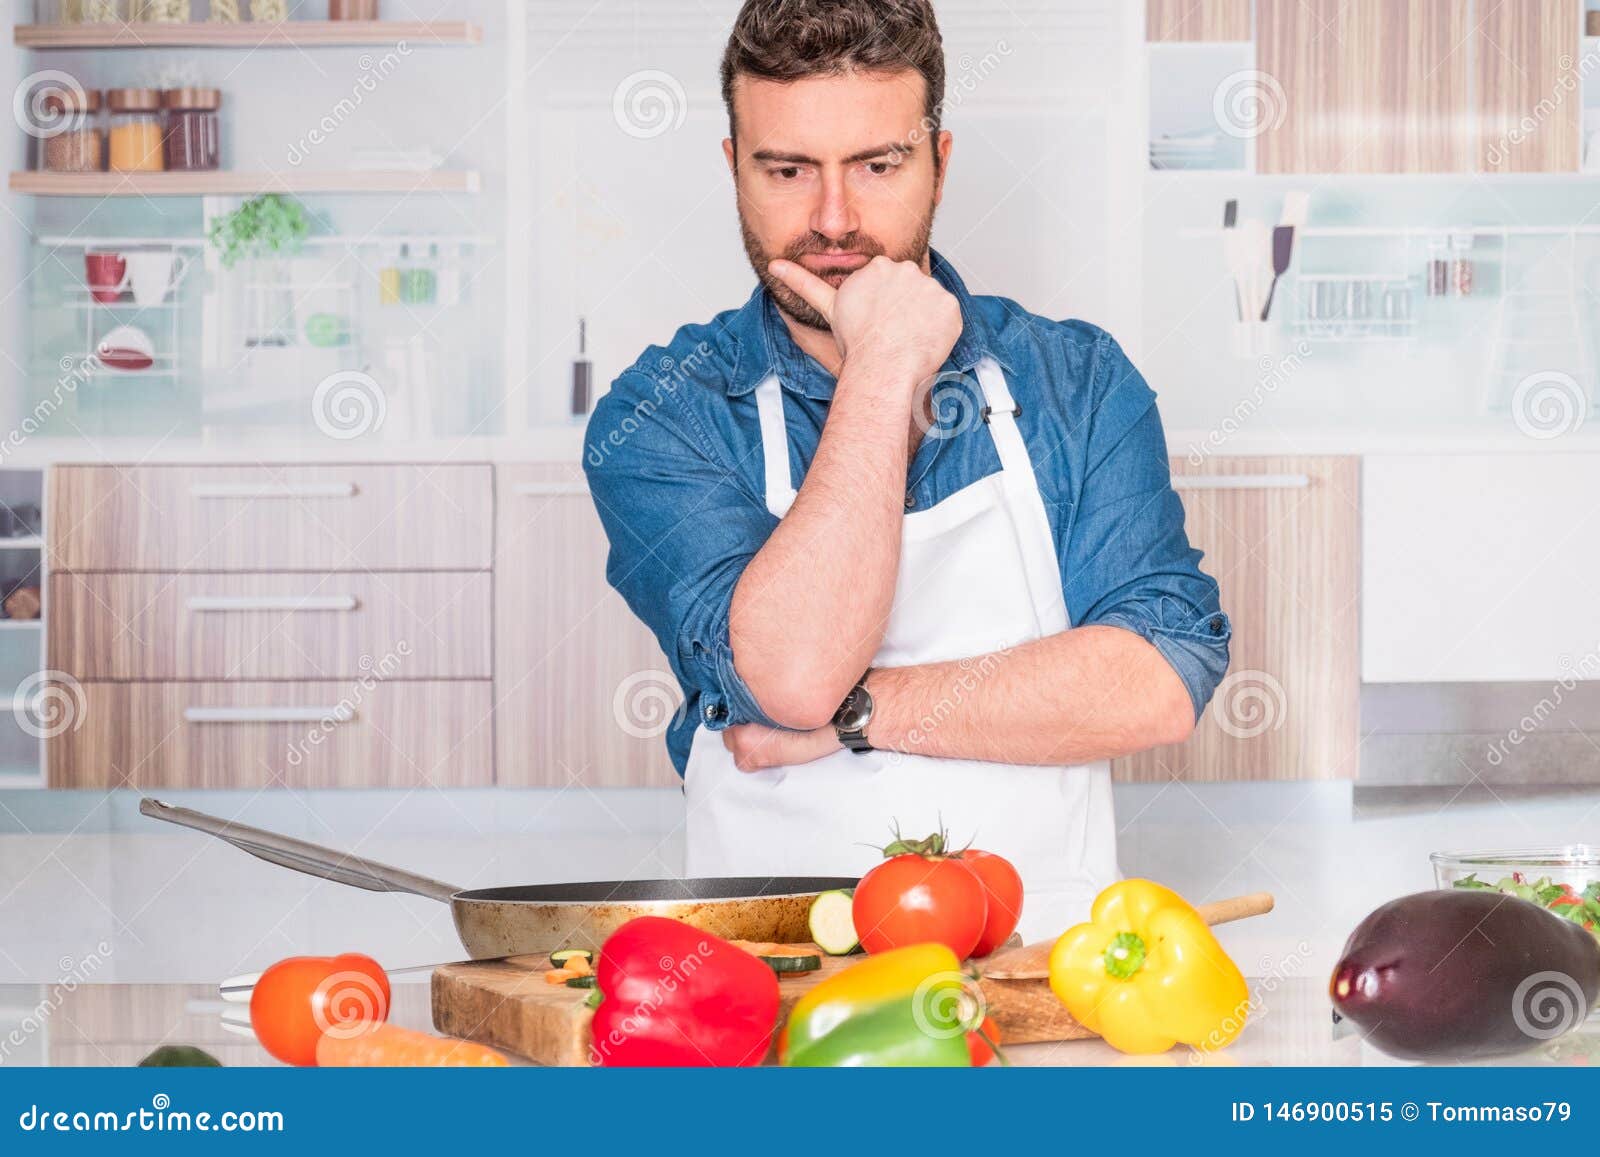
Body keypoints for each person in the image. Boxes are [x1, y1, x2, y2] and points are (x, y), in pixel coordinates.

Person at [584, 0, 1230, 941]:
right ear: (734, 166)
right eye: (788, 169)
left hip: (1047, 961)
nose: (835, 220)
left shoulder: (1078, 382)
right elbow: (794, 678)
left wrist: (864, 713)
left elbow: (1160, 680)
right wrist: (886, 365)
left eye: (878, 165)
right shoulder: (663, 413)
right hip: (773, 973)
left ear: (939, 159)